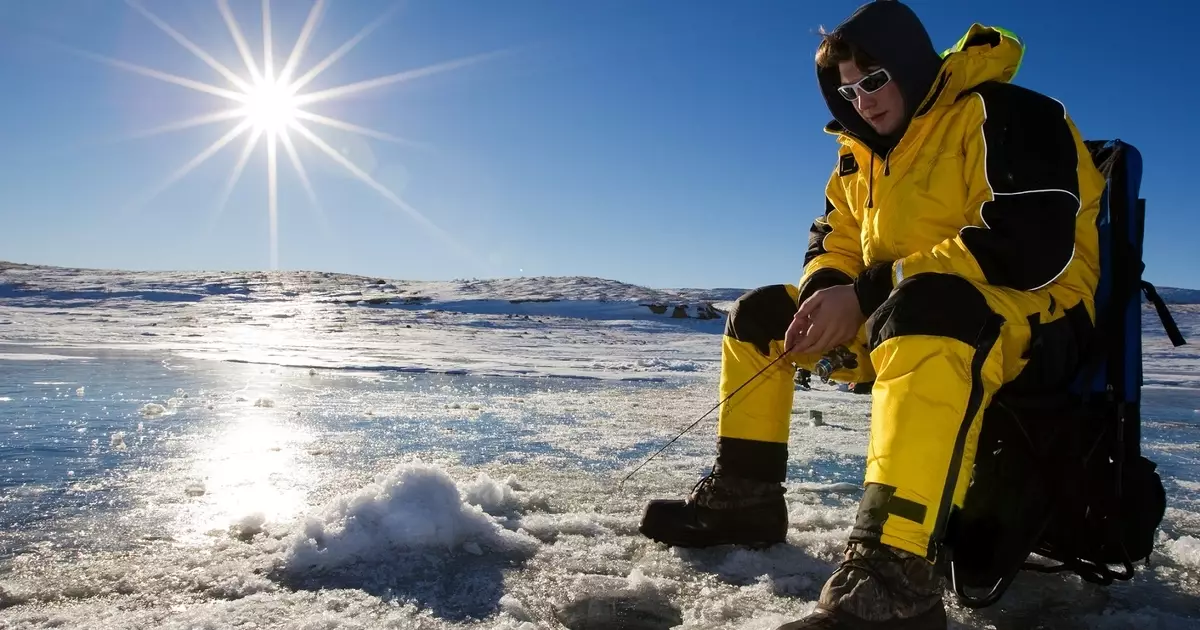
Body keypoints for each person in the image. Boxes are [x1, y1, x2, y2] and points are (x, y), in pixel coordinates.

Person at [639, 1, 1105, 627]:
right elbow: (831, 240)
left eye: (874, 80)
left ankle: (894, 574)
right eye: (847, 88)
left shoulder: (1008, 113)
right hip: (903, 312)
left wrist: (866, 294)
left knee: (925, 305)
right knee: (760, 317)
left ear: (911, 66)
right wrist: (827, 293)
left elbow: (1030, 244)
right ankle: (745, 500)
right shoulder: (862, 156)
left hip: (1031, 323)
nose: (861, 100)